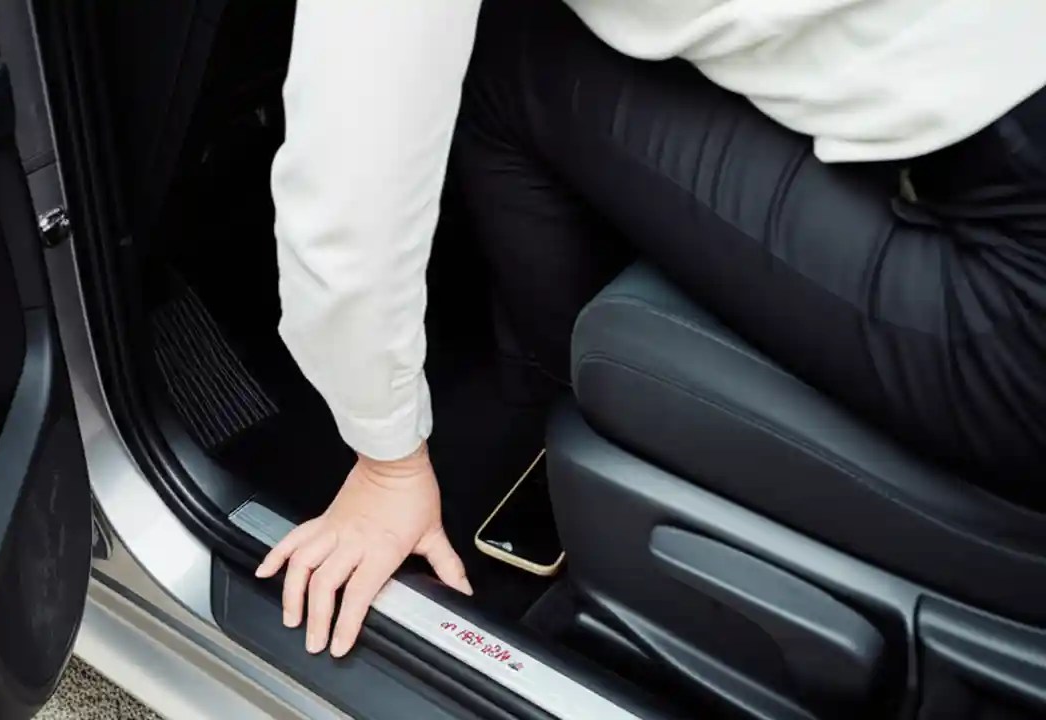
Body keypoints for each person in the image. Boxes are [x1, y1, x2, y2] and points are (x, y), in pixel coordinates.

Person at [256, 0, 1046, 659]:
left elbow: (350, 173)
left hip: (1015, 307)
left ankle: (547, 419)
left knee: (505, 55)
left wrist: (385, 456)